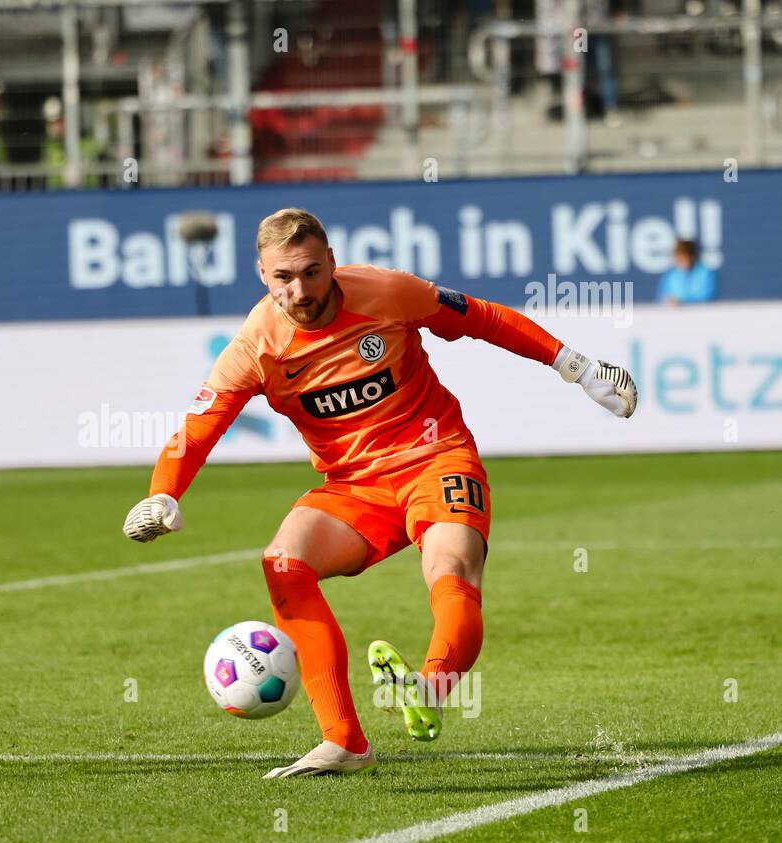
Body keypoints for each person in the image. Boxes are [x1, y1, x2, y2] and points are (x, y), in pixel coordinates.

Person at [122, 208, 636, 779]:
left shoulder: (387, 292)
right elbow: (198, 429)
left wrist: (577, 366)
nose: (300, 290)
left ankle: (431, 688)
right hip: (352, 488)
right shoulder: (255, 348)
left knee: (451, 567)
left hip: (436, 459)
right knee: (283, 563)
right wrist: (164, 494)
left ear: (333, 263)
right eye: (283, 279)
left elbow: (482, 318)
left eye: (312, 272)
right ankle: (343, 740)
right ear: (262, 276)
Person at [657, 238, 717, 306]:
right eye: (679, 257)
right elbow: (661, 299)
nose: (682, 261)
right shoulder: (671, 275)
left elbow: (708, 296)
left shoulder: (705, 273)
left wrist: (683, 302)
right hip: (675, 315)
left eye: (685, 257)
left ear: (692, 256)